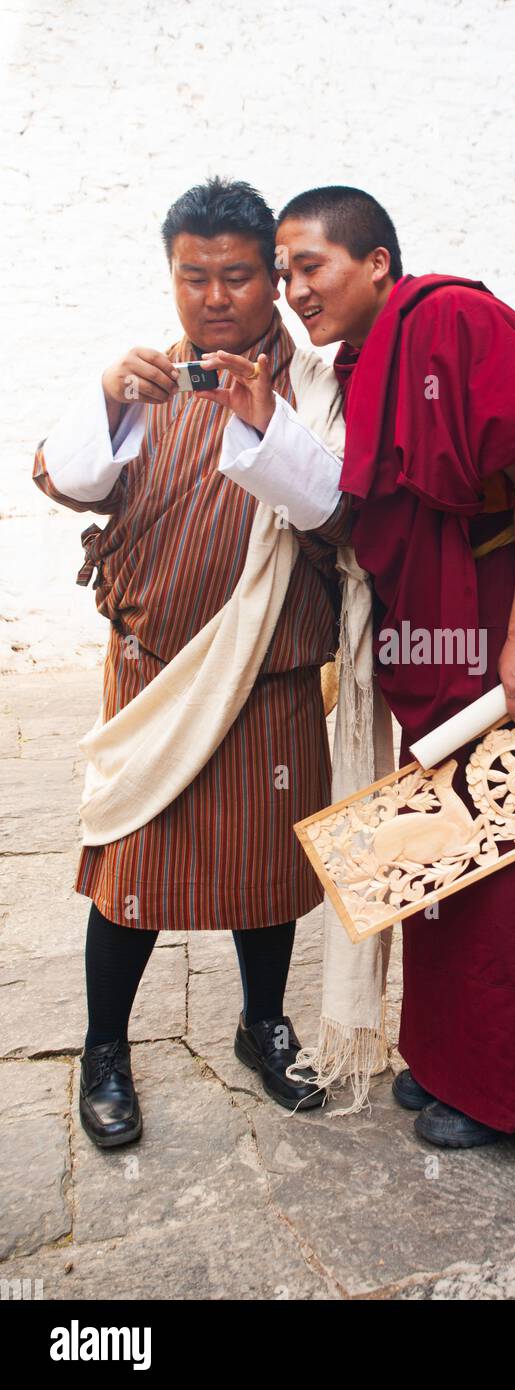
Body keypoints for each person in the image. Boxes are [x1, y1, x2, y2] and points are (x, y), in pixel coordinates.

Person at [210, 185, 515, 1149]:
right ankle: (456, 1059)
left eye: (310, 266)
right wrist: (262, 426)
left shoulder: (454, 317)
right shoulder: (365, 364)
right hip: (442, 637)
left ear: (377, 263)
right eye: (284, 271)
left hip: (511, 618)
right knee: (452, 851)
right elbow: (361, 517)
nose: (293, 289)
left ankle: (513, 1089)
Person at [32, 177, 353, 1148]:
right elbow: (68, 479)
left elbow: (333, 511)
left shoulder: (320, 387)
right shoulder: (145, 380)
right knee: (128, 875)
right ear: (171, 277)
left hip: (271, 673)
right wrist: (104, 395)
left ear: (272, 280)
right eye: (192, 276)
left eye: (236, 276)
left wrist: (264, 420)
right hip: (155, 677)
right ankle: (104, 1050)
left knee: (266, 874)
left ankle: (262, 1025)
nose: (214, 297)